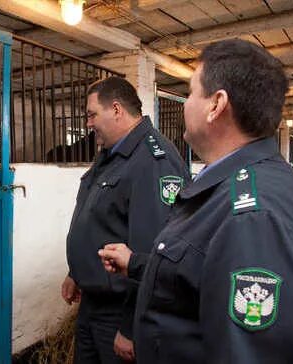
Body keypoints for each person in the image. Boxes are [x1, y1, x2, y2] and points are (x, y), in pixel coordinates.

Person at [98, 39, 293, 363]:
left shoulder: (252, 218)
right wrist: (136, 263)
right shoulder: (235, 185)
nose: (186, 103)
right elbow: (205, 275)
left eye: (191, 92)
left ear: (216, 105)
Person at [62, 76, 190, 363]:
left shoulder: (154, 161)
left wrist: (131, 326)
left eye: (92, 115)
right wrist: (77, 272)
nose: (88, 124)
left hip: (120, 312)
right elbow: (99, 220)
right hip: (92, 303)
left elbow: (152, 253)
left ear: (116, 109)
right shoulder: (112, 153)